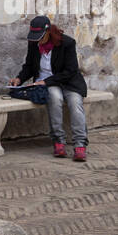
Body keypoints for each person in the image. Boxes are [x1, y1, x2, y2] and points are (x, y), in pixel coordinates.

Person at [9, 15, 89, 161]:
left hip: (69, 82)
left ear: (48, 32)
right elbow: (29, 66)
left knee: (75, 103)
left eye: (40, 36)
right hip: (49, 84)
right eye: (34, 37)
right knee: (54, 98)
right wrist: (19, 78)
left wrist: (46, 82)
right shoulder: (34, 44)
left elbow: (70, 71)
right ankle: (58, 141)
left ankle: (80, 143)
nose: (37, 40)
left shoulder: (67, 43)